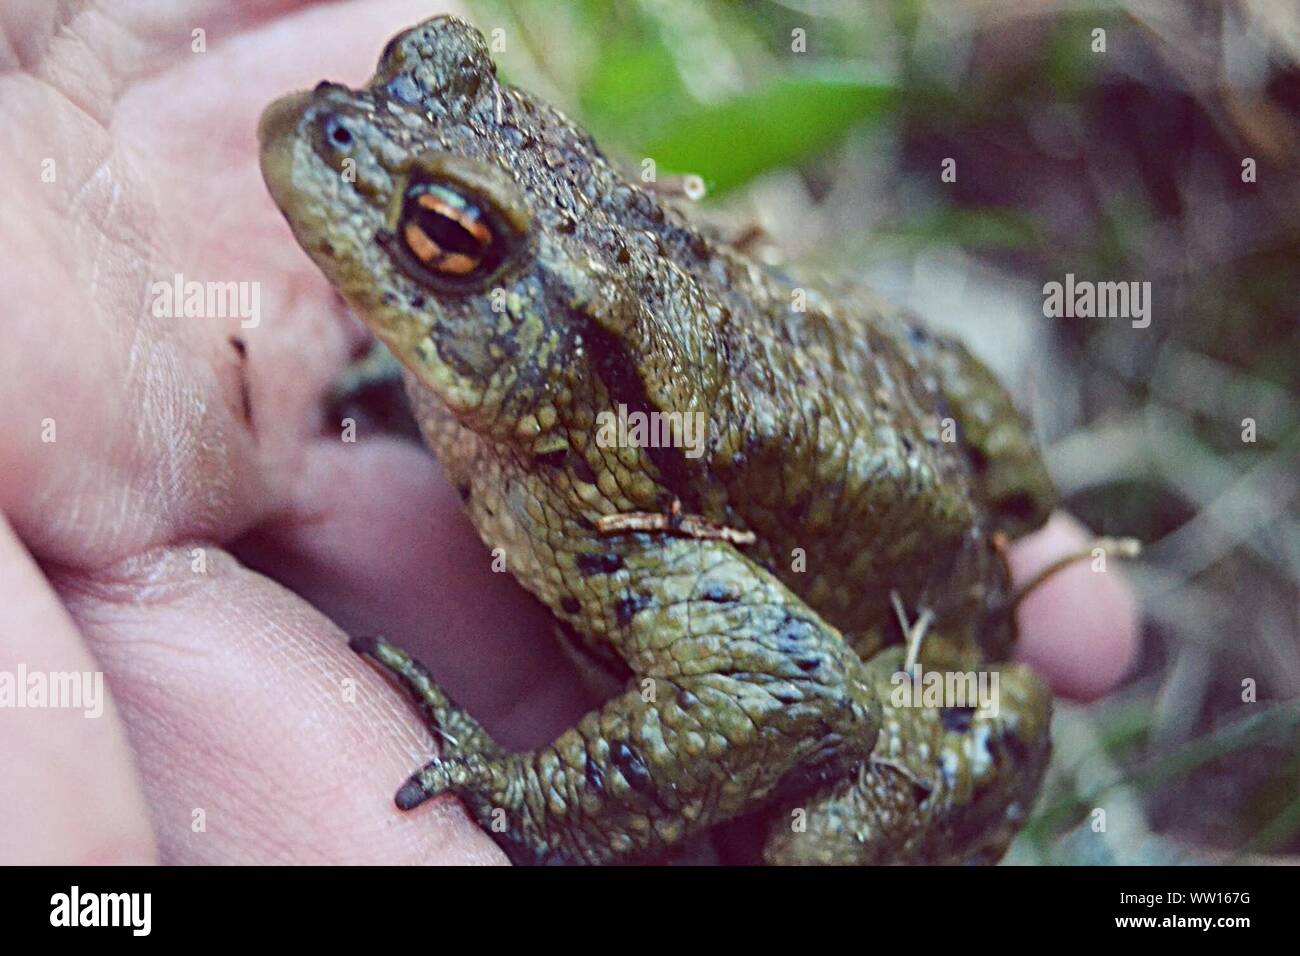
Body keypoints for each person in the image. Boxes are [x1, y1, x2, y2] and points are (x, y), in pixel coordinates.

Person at [0, 0, 1137, 864]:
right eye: (414, 62)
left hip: (918, 660)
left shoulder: (613, 500)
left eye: (440, 234)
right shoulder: (547, 411)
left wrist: (535, 796)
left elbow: (805, 690)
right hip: (829, 403)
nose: (336, 131)